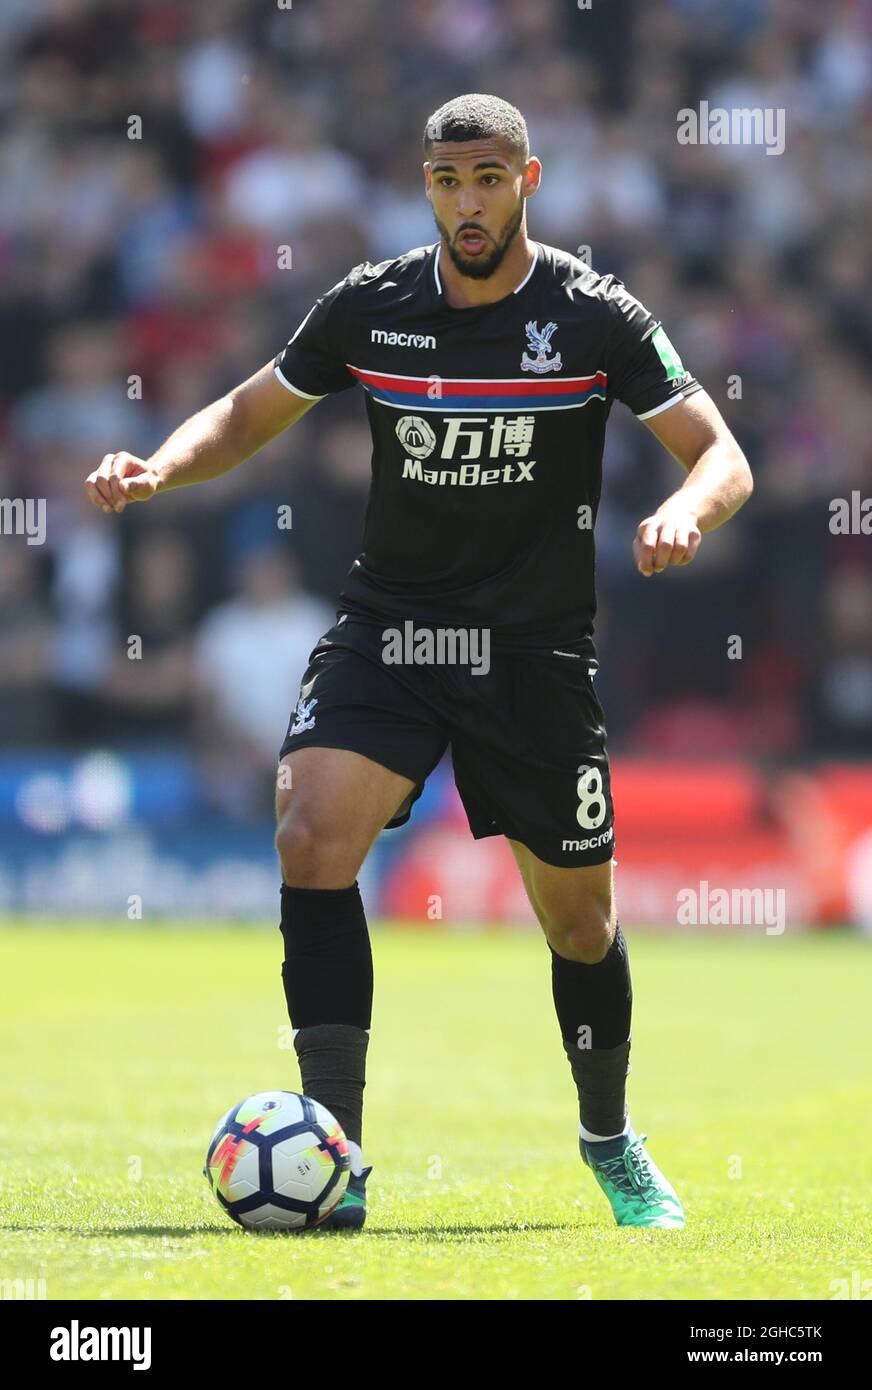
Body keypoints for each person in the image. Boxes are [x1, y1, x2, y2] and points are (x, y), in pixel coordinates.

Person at [85, 93, 753, 1232]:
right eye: (448, 182)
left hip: (533, 651)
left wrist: (687, 512)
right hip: (388, 631)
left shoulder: (594, 316)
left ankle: (607, 1138)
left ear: (527, 182)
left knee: (579, 924)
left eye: (489, 178)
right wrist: (159, 464)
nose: (468, 201)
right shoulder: (370, 304)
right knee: (309, 838)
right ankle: (332, 1150)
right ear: (425, 187)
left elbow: (719, 452)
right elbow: (248, 415)